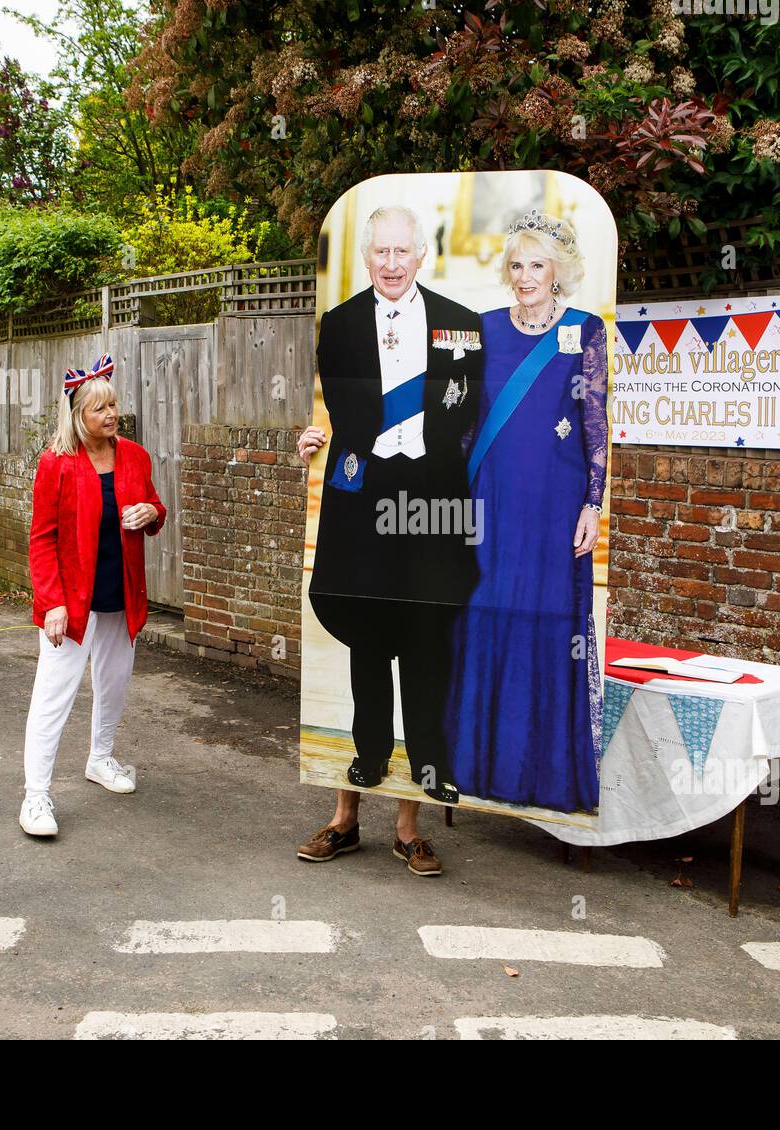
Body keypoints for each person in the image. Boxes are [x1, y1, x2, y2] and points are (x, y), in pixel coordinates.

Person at [296, 205, 481, 877]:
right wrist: (321, 441)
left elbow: (466, 405)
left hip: (431, 500)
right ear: (368, 256)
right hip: (362, 500)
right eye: (382, 252)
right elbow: (343, 414)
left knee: (427, 630)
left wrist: (420, 444)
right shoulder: (338, 323)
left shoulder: (463, 320)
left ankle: (420, 798)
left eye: (404, 251)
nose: (393, 263)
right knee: (367, 628)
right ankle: (359, 782)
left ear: (423, 254)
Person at [444, 210, 608, 814]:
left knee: (547, 618)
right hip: (490, 498)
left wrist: (595, 502)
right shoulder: (480, 329)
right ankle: (472, 763)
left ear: (559, 271)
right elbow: (459, 423)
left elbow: (595, 422)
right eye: (516, 265)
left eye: (536, 264)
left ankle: (544, 773)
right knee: (484, 610)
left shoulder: (585, 330)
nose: (524, 276)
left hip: (554, 503)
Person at [19, 355, 166, 837]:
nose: (111, 414)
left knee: (114, 684)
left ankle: (100, 759)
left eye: (114, 405)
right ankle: (35, 798)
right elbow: (41, 538)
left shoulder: (134, 457)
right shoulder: (56, 463)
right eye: (100, 408)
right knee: (52, 698)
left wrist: (150, 512)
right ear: (78, 415)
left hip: (120, 595)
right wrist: (53, 602)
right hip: (70, 603)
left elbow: (156, 508)